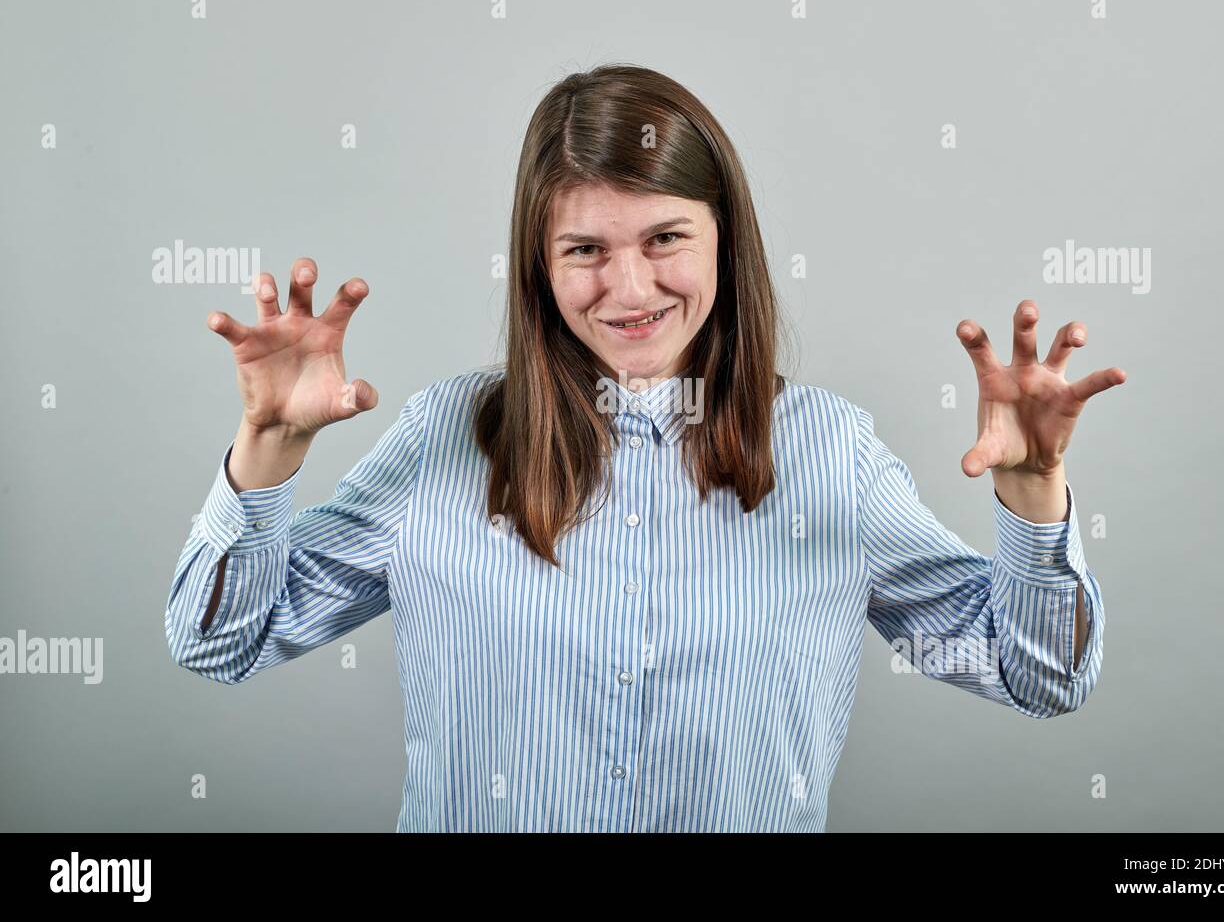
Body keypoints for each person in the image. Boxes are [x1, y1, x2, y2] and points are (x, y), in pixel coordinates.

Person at [165, 63, 1125, 832]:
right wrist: (269, 451)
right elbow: (219, 643)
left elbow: (1036, 676)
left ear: (723, 242)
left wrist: (1035, 492)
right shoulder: (443, 441)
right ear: (540, 270)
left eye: (665, 237)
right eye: (584, 249)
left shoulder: (831, 453)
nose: (629, 289)